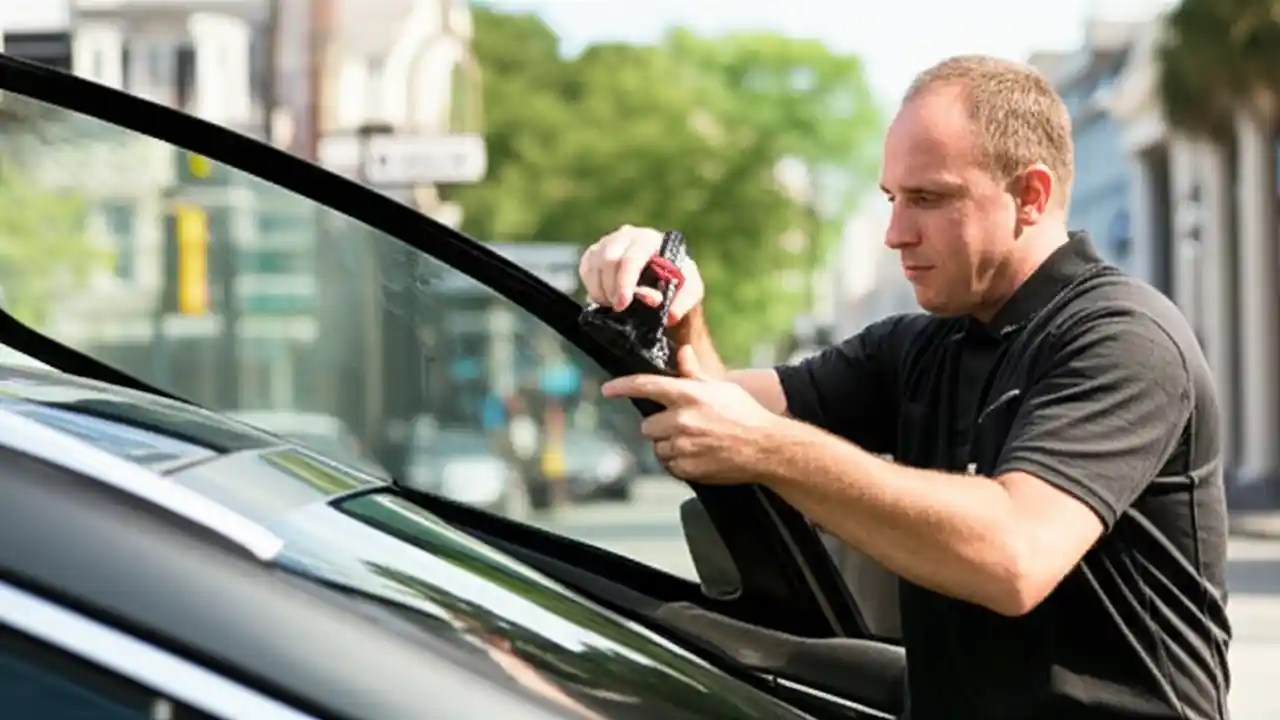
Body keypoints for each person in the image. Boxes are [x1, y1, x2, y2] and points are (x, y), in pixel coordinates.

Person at [578, 55, 1232, 719]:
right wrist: (673, 307)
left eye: (928, 199)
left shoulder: (1124, 338)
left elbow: (1013, 556)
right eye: (892, 199)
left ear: (1030, 196)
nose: (896, 233)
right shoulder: (920, 345)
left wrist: (770, 449)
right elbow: (713, 409)